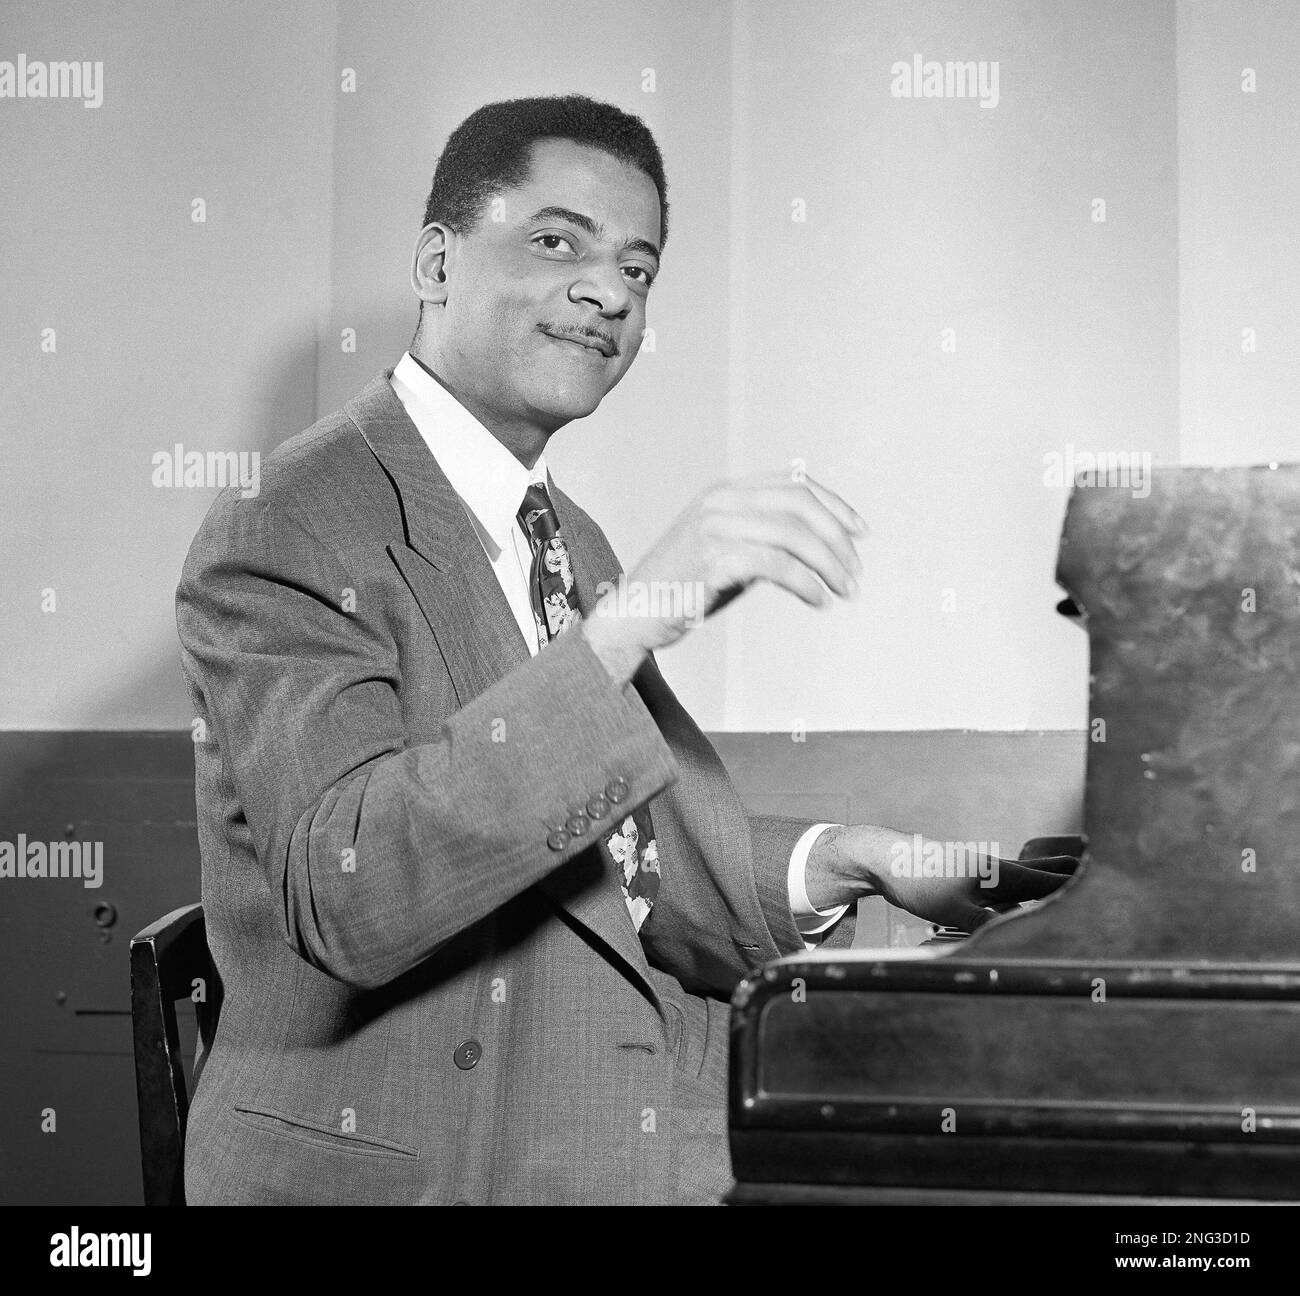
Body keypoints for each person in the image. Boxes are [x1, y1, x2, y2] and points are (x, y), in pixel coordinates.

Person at [175, 93, 1069, 1205]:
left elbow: (641, 864)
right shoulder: (288, 519)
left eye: (638, 271)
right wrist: (638, 613)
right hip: (412, 1165)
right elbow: (352, 895)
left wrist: (852, 856)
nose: (608, 292)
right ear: (436, 264)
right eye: (557, 242)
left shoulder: (563, 534)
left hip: (601, 1114)